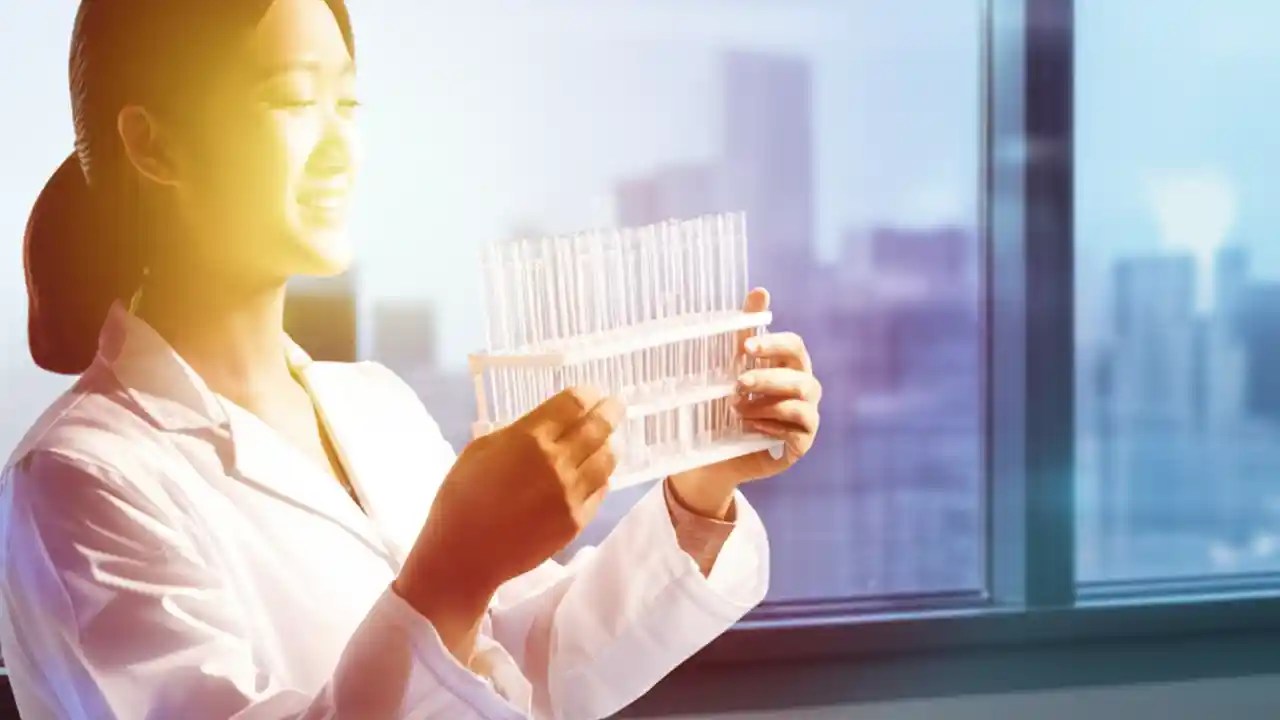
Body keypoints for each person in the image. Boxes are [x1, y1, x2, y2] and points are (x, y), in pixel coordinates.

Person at [0, 1, 823, 718]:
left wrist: (701, 492)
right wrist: (452, 578)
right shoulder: (77, 480)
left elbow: (532, 667)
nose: (339, 149)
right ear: (153, 146)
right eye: (291, 100)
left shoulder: (374, 407)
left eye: (347, 103)